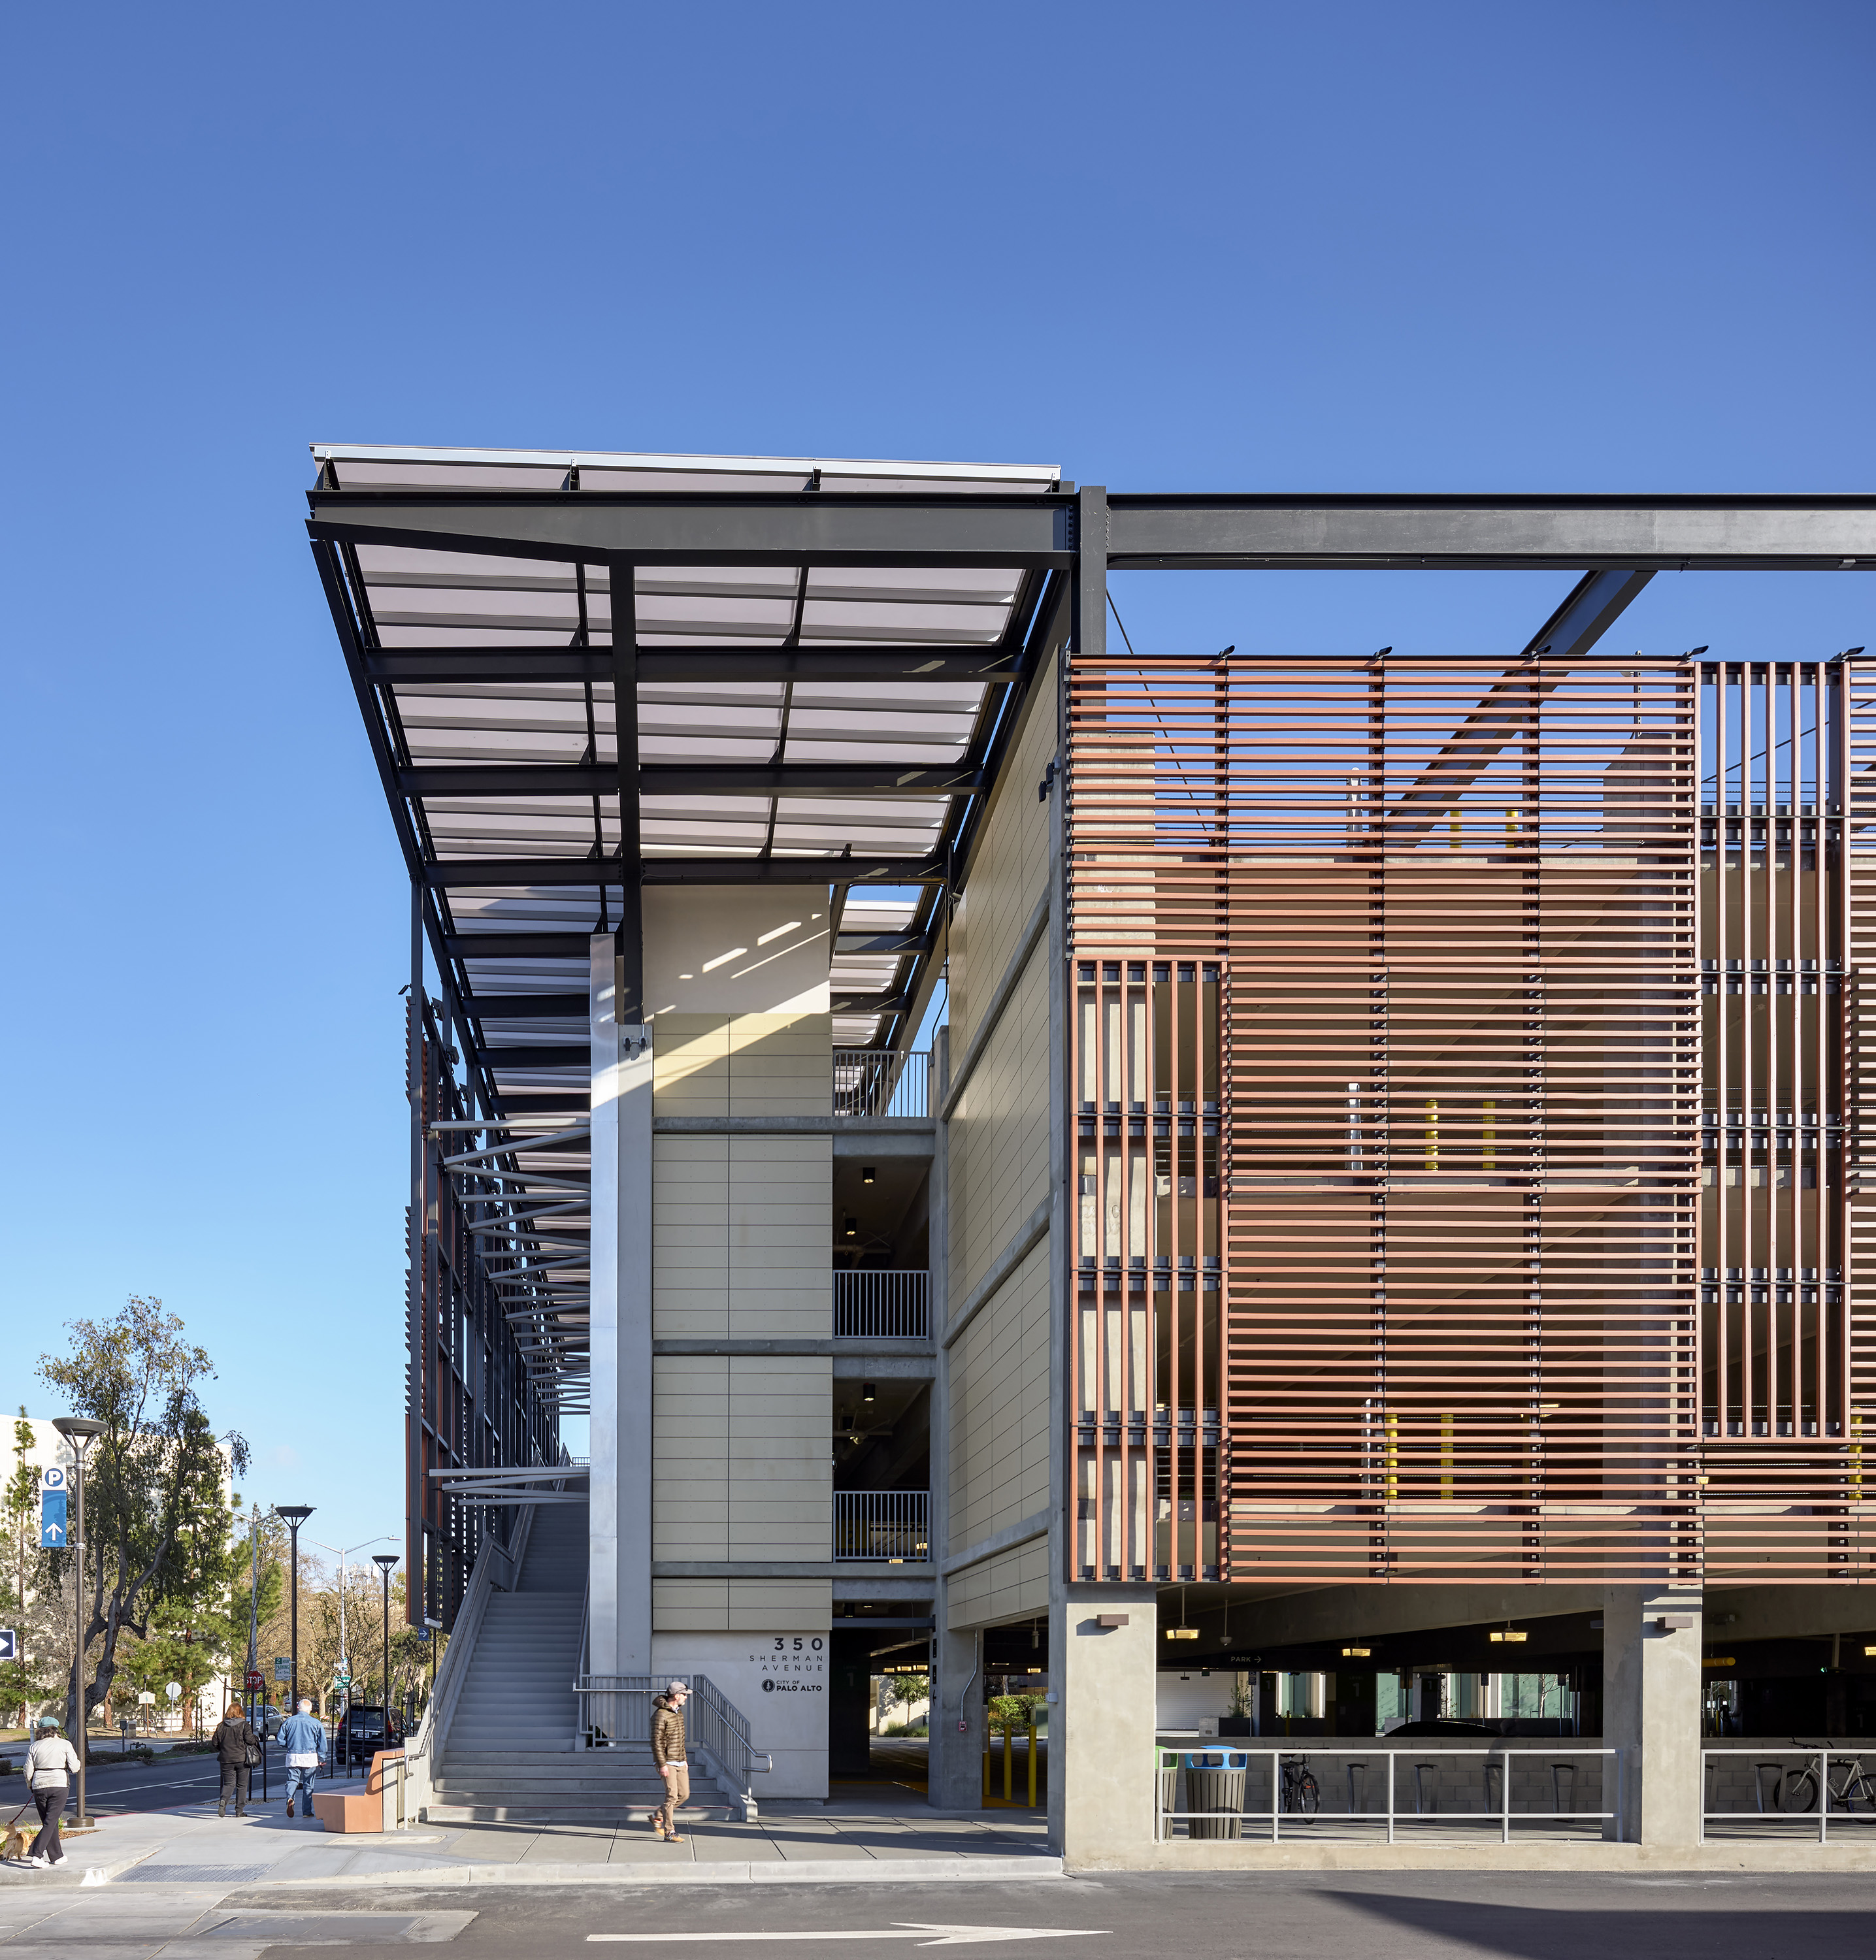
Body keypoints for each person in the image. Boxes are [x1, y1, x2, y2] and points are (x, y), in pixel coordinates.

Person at [24, 1716, 81, 1868]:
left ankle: (57, 1856)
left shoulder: (34, 1746)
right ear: (56, 1729)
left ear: (40, 1731)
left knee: (49, 1821)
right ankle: (36, 1855)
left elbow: (28, 1769)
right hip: (59, 1784)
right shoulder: (65, 1744)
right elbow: (75, 1767)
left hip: (39, 1785)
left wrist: (30, 1785)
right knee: (51, 1821)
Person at [650, 1678, 689, 1843]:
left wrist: (685, 1759)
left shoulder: (678, 1713)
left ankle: (657, 1816)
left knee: (684, 1795)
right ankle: (669, 1832)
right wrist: (662, 1764)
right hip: (667, 1762)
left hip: (680, 1761)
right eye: (684, 1695)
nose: (686, 1697)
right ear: (676, 1695)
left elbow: (680, 1739)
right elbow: (656, 1742)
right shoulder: (660, 1715)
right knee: (671, 1796)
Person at [276, 1697, 327, 1821]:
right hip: (310, 1757)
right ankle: (307, 1811)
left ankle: (290, 1798)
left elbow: (280, 1740)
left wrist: (290, 1745)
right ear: (310, 1710)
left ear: (298, 1708)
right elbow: (322, 1743)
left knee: (292, 1780)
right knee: (308, 1784)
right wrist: (322, 1758)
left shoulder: (289, 1722)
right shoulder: (316, 1723)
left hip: (293, 1755)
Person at [211, 1698, 261, 1817]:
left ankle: (223, 1801)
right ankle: (239, 1810)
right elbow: (249, 1740)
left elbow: (215, 1743)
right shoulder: (244, 1725)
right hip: (242, 1759)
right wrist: (256, 1739)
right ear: (240, 1713)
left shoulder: (221, 1726)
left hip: (226, 1759)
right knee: (242, 1785)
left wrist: (224, 1750)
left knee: (229, 1784)